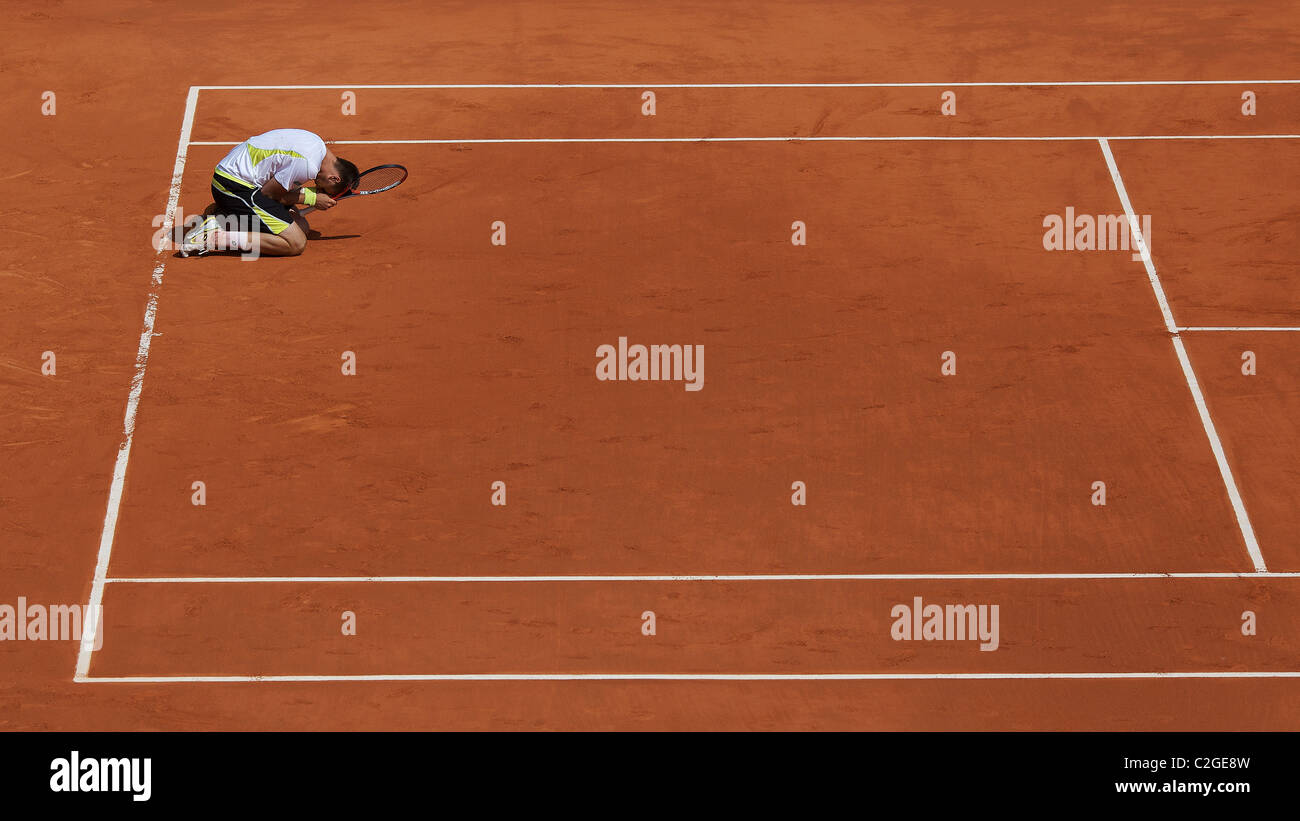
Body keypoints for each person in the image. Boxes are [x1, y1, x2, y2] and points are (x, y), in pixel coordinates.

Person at [180, 128, 359, 257]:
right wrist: (313, 198)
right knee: (295, 243)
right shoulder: (307, 165)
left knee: (301, 226)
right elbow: (270, 195)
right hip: (234, 187)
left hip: (234, 177)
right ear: (334, 178)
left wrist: (309, 196)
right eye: (324, 189)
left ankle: (224, 213)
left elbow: (279, 184)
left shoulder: (316, 144)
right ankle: (213, 236)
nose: (318, 187)